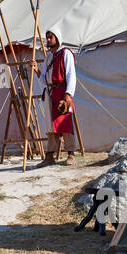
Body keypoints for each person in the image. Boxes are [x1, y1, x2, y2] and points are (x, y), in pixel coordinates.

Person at [36, 26, 77, 168]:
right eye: (47, 37)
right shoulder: (48, 57)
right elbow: (44, 80)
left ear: (57, 38)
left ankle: (71, 153)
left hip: (62, 92)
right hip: (50, 93)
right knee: (50, 126)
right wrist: (36, 71)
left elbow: (71, 75)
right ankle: (49, 156)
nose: (48, 40)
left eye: (50, 37)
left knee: (64, 123)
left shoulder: (66, 53)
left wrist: (68, 94)